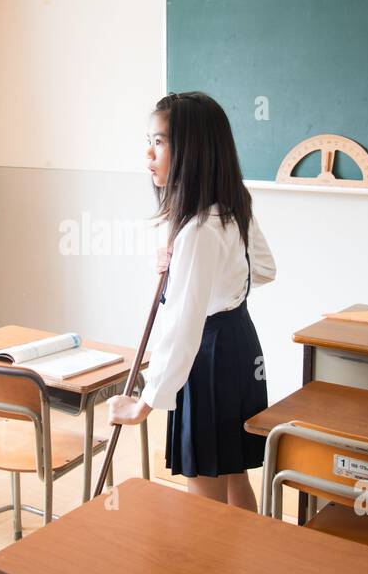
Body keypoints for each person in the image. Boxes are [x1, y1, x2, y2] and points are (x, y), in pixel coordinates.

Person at [107, 91, 275, 510]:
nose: (148, 152)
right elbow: (264, 269)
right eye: (149, 139)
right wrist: (190, 267)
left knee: (203, 497)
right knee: (233, 473)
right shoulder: (231, 203)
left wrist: (144, 404)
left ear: (193, 151)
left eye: (160, 141)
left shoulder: (197, 230)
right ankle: (242, 571)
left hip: (208, 359)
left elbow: (183, 328)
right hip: (238, 344)